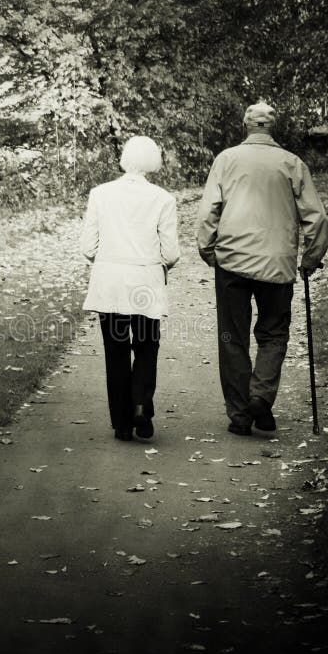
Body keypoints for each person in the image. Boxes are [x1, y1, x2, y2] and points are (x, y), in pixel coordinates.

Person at [196, 102, 328, 436]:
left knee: (232, 337)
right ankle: (261, 398)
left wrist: (207, 248)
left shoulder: (226, 159)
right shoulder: (292, 163)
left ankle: (241, 415)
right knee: (273, 333)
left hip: (232, 262)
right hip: (277, 263)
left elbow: (208, 211)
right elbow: (317, 217)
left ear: (246, 125)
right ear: (273, 128)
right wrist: (310, 259)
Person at [81, 136, 180, 441]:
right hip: (146, 282)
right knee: (148, 346)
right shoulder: (163, 199)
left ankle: (122, 423)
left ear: (124, 158)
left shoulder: (100, 194)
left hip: (110, 283)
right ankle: (140, 404)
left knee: (116, 350)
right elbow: (171, 253)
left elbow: (88, 247)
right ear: (153, 161)